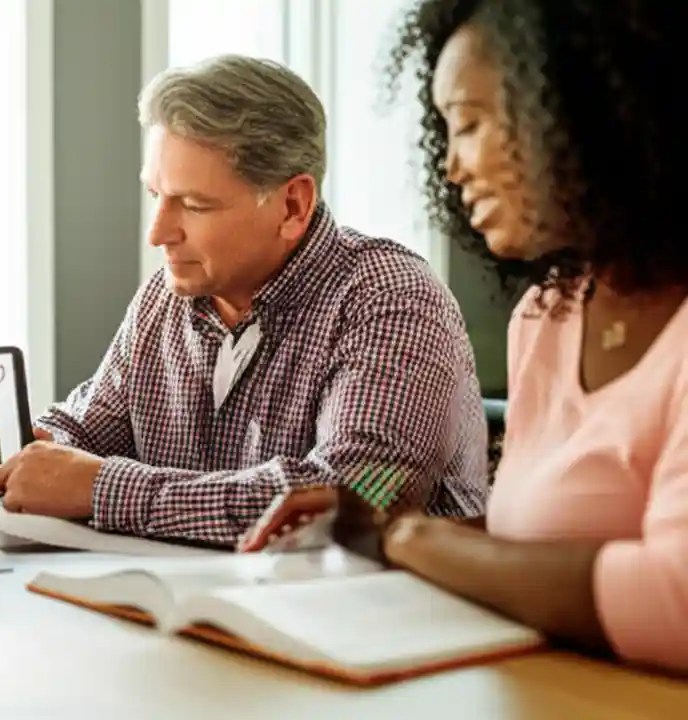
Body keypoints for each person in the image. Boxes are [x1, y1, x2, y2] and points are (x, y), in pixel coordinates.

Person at [250, 0, 687, 674]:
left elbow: (673, 602)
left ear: (580, 113)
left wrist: (402, 531)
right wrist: (359, 511)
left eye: (472, 124)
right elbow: (521, 537)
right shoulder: (549, 316)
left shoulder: (390, 293)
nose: (452, 169)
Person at [0, 55, 489, 547]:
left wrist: (102, 488)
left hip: (374, 619)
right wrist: (34, 450)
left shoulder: (392, 298)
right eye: (155, 195)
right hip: (203, 606)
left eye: (195, 205)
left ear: (293, 205)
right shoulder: (167, 296)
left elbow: (356, 494)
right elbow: (86, 427)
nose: (157, 233)